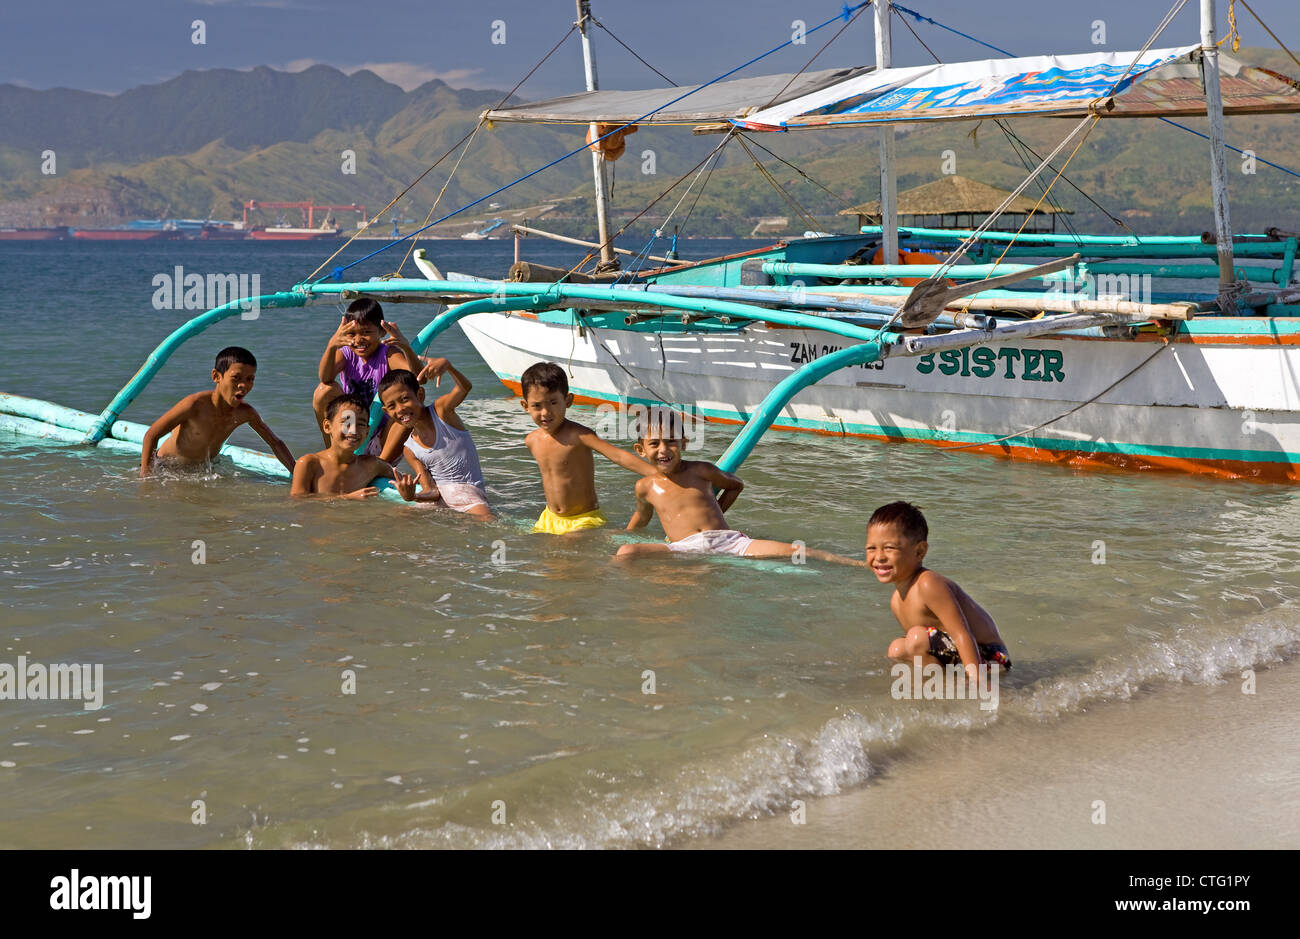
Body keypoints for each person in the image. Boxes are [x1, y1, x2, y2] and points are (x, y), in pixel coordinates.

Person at [614, 407, 858, 564]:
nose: (664, 450)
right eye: (654, 443)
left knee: (797, 551)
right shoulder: (644, 486)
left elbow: (736, 485)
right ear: (641, 450)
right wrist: (622, 535)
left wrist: (718, 513)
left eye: (671, 442)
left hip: (727, 540)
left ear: (684, 443)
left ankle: (853, 562)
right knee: (626, 552)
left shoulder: (701, 470)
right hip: (684, 547)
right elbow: (641, 516)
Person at [868, 501, 1012, 680]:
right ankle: (939, 691)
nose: (879, 557)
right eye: (871, 548)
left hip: (990, 658)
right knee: (897, 649)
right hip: (958, 655)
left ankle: (955, 687)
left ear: (919, 551)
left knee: (916, 637)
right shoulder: (896, 601)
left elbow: (962, 633)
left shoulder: (928, 583)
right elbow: (927, 651)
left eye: (889, 548)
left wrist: (979, 683)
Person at [520, 361, 656, 534]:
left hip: (583, 519)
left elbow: (617, 455)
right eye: (537, 406)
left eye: (553, 402)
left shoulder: (579, 435)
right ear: (525, 406)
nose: (545, 412)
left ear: (568, 401)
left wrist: (656, 474)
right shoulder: (532, 440)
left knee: (571, 547)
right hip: (549, 518)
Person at [139, 346, 294, 477]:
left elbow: (275, 443)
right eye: (236, 378)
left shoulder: (245, 413)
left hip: (204, 470)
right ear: (216, 376)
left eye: (249, 379)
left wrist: (296, 473)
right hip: (166, 467)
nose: (243, 385)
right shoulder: (194, 405)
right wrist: (146, 476)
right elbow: (152, 434)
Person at [312, 298, 421, 462]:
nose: (358, 339)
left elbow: (418, 378)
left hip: (385, 435)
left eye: (366, 332)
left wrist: (405, 347)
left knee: (411, 401)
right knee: (324, 390)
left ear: (382, 332)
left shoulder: (388, 353)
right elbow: (325, 377)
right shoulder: (347, 352)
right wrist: (331, 345)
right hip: (353, 427)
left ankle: (381, 465)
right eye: (351, 334)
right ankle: (334, 453)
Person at [378, 365, 495, 519]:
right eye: (392, 406)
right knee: (396, 519)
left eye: (405, 399)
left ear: (420, 395)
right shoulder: (409, 449)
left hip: (469, 498)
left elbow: (464, 387)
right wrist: (412, 496)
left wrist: (449, 367)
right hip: (439, 501)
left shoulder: (441, 412)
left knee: (489, 521)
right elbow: (432, 491)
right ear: (386, 411)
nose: (400, 409)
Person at [290, 392, 417, 500]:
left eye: (361, 424)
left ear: (367, 431)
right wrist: (347, 498)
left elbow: (402, 478)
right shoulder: (309, 463)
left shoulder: (372, 465)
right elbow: (298, 502)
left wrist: (409, 492)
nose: (353, 430)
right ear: (327, 426)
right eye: (347, 423)